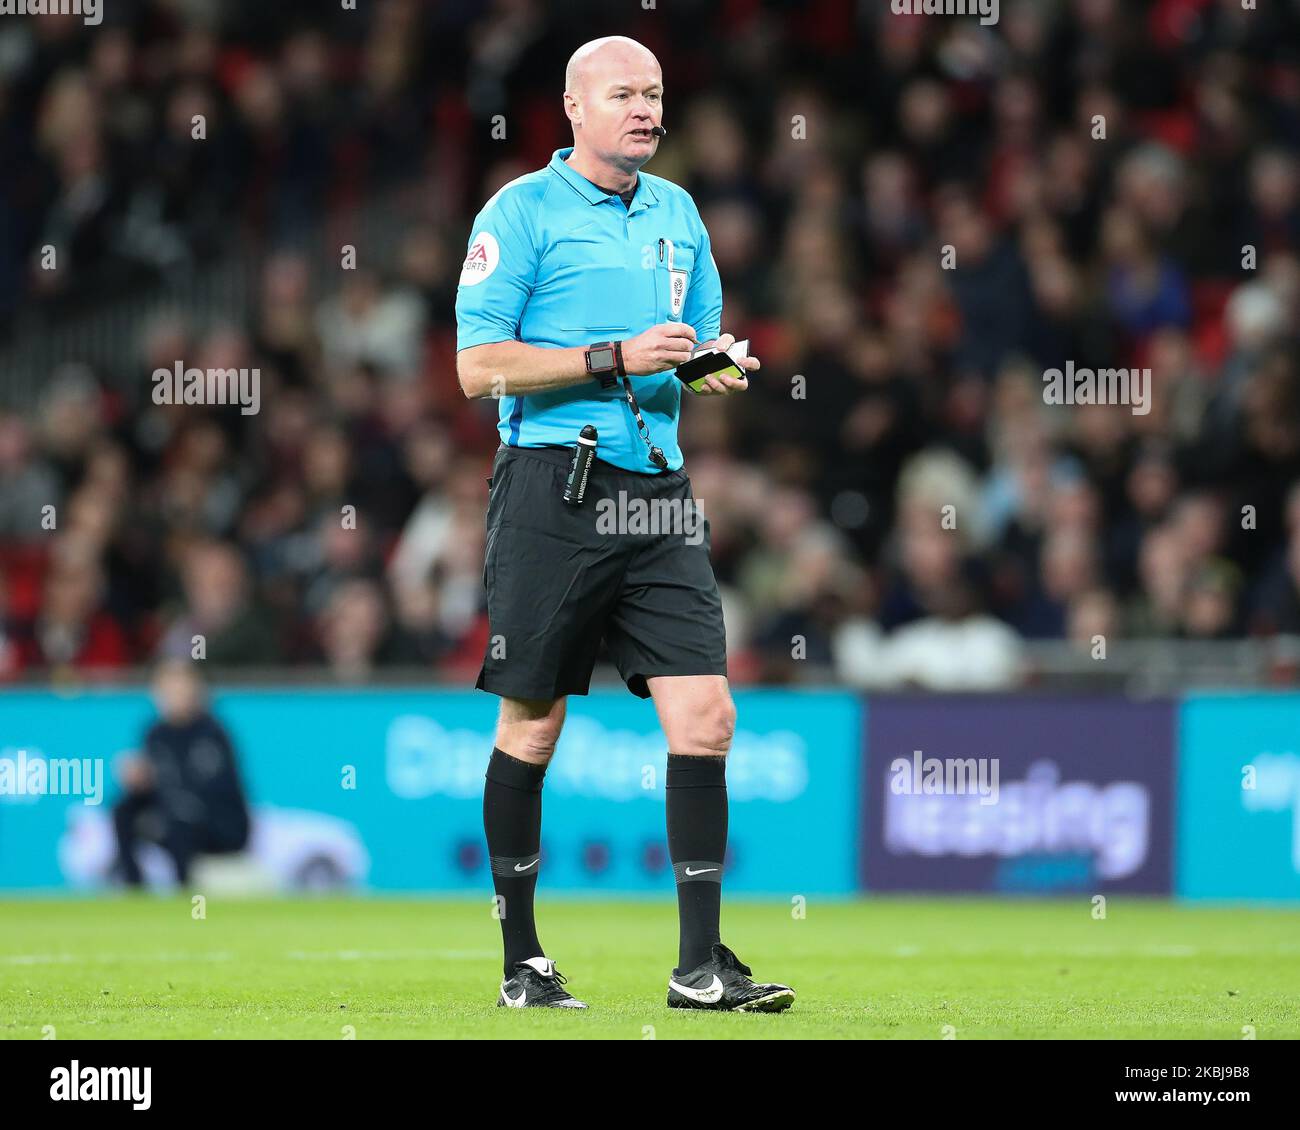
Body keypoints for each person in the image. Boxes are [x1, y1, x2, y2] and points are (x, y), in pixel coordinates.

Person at [455, 35, 793, 1012]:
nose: (645, 108)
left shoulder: (679, 213)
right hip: (549, 494)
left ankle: (699, 966)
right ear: (573, 108)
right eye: (623, 94)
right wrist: (612, 355)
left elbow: (693, 350)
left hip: (656, 492)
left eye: (653, 92)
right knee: (532, 724)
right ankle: (522, 958)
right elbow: (479, 369)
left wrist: (713, 365)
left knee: (708, 716)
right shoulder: (519, 213)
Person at [112, 659, 250, 888]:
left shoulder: (212, 734)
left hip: (218, 825)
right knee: (123, 810)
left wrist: (163, 785)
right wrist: (139, 781)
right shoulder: (155, 733)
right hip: (172, 815)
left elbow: (213, 789)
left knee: (179, 817)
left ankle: (185, 893)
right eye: (167, 691)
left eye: (180, 689)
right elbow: (157, 787)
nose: (173, 697)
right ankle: (134, 887)